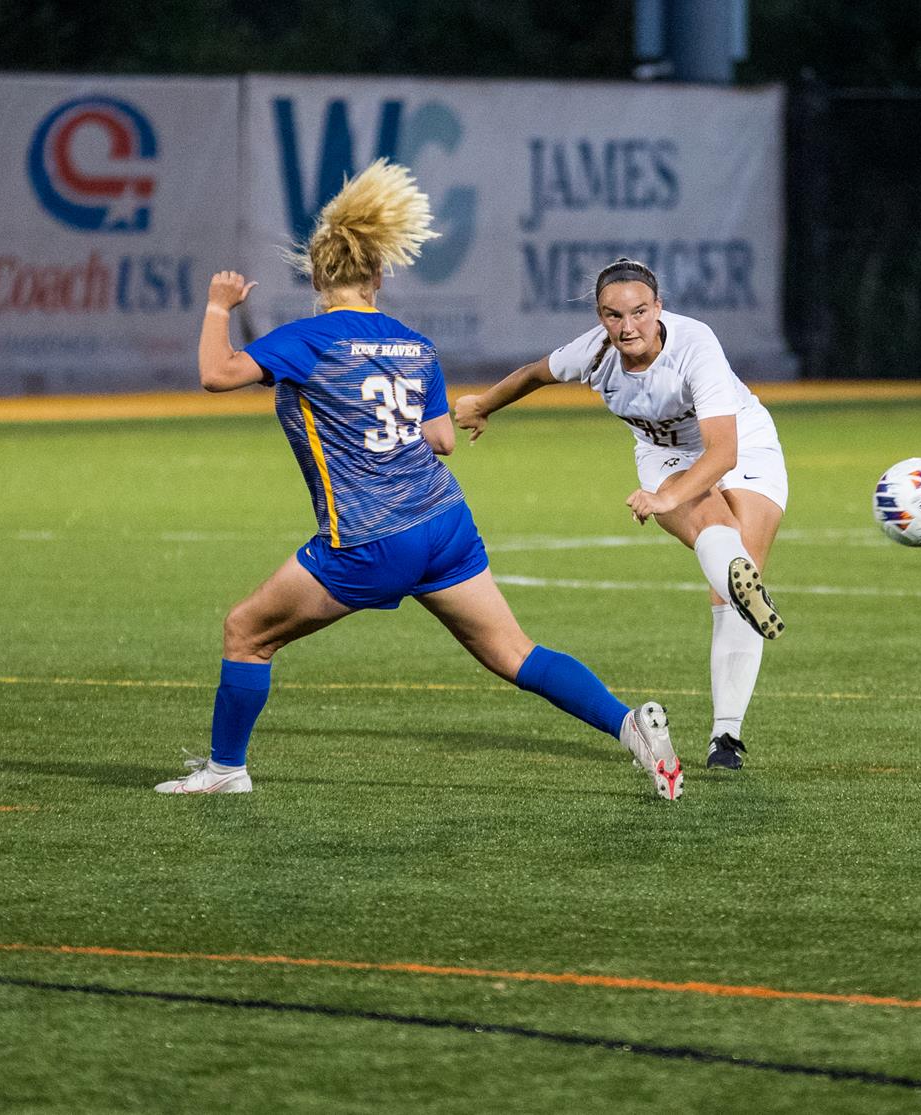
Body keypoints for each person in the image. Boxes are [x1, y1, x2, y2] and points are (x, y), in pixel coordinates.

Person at [156, 161, 682, 800]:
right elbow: (441, 441)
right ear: (378, 276)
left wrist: (218, 307)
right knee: (514, 653)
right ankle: (630, 726)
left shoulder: (308, 339)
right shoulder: (415, 344)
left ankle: (225, 771)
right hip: (443, 523)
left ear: (319, 277)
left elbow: (216, 373)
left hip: (373, 534)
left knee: (247, 631)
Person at [453, 258, 785, 773]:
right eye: (612, 316)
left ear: (658, 308)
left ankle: (726, 736)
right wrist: (484, 404)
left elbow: (723, 453)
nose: (627, 327)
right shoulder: (595, 351)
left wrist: (666, 501)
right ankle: (728, 723)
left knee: (736, 576)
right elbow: (535, 374)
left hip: (744, 441)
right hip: (664, 454)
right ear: (600, 316)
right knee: (725, 553)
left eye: (639, 312)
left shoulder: (696, 347)